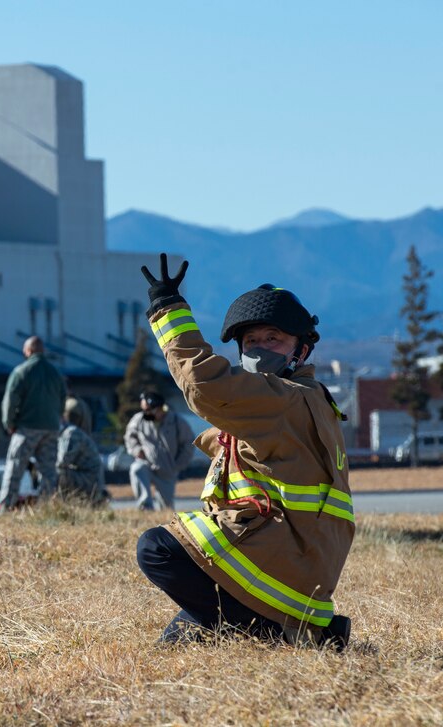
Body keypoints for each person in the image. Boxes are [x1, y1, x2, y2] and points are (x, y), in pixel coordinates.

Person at [135, 254, 354, 650]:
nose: (260, 349)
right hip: (293, 566)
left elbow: (204, 384)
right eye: (251, 341)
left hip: (281, 565)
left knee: (157, 549)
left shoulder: (283, 399)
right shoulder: (307, 399)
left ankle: (275, 634)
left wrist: (168, 310)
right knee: (178, 640)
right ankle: (314, 631)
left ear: (301, 351)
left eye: (274, 338)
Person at [0, 336, 66, 511]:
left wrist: (9, 423)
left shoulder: (21, 371)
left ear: (28, 351)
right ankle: (47, 507)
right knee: (49, 471)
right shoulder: (55, 373)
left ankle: (5, 506)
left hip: (26, 428)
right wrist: (55, 419)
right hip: (50, 428)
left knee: (15, 469)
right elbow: (62, 400)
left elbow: (10, 400)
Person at [123, 391, 196, 510]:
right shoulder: (139, 419)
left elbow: (189, 443)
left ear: (159, 408)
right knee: (136, 469)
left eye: (149, 410)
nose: (146, 413)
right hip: (146, 463)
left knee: (166, 507)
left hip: (167, 470)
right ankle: (145, 507)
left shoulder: (177, 422)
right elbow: (129, 436)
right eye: (144, 410)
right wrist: (136, 450)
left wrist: (178, 465)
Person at [56, 397, 108, 506]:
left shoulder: (71, 433)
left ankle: (58, 504)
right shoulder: (75, 432)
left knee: (57, 472)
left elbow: (62, 462)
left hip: (90, 483)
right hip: (90, 480)